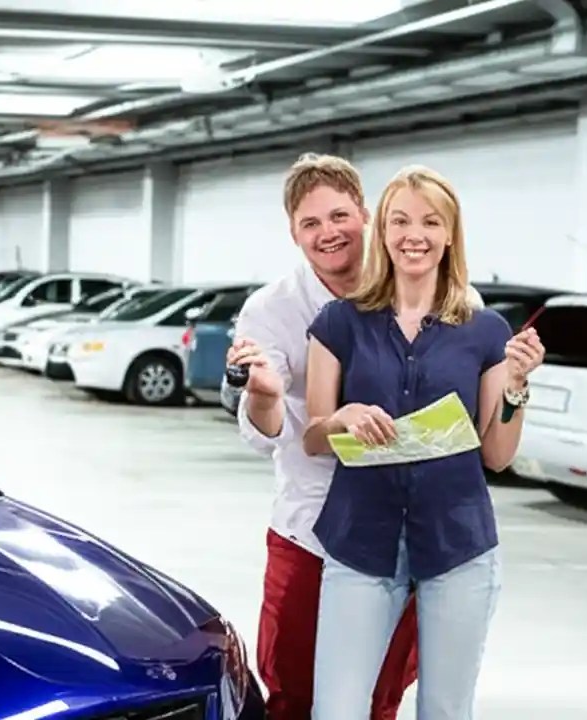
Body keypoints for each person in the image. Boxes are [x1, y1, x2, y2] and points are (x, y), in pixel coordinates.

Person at [299, 165, 545, 720]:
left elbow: (497, 456)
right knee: (336, 709)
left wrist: (516, 386)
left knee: (445, 709)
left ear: (451, 234)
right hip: (361, 540)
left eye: (431, 222)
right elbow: (313, 437)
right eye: (401, 221)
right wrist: (343, 417)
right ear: (381, 232)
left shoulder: (486, 331)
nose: (416, 235)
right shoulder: (340, 322)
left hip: (457, 542)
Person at [224, 152, 418, 720]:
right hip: (310, 531)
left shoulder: (417, 289)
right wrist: (261, 393)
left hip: (402, 529)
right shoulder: (272, 309)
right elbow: (266, 435)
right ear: (293, 233)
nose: (327, 233)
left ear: (365, 213)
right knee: (292, 689)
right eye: (310, 223)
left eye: (339, 216)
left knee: (381, 694)